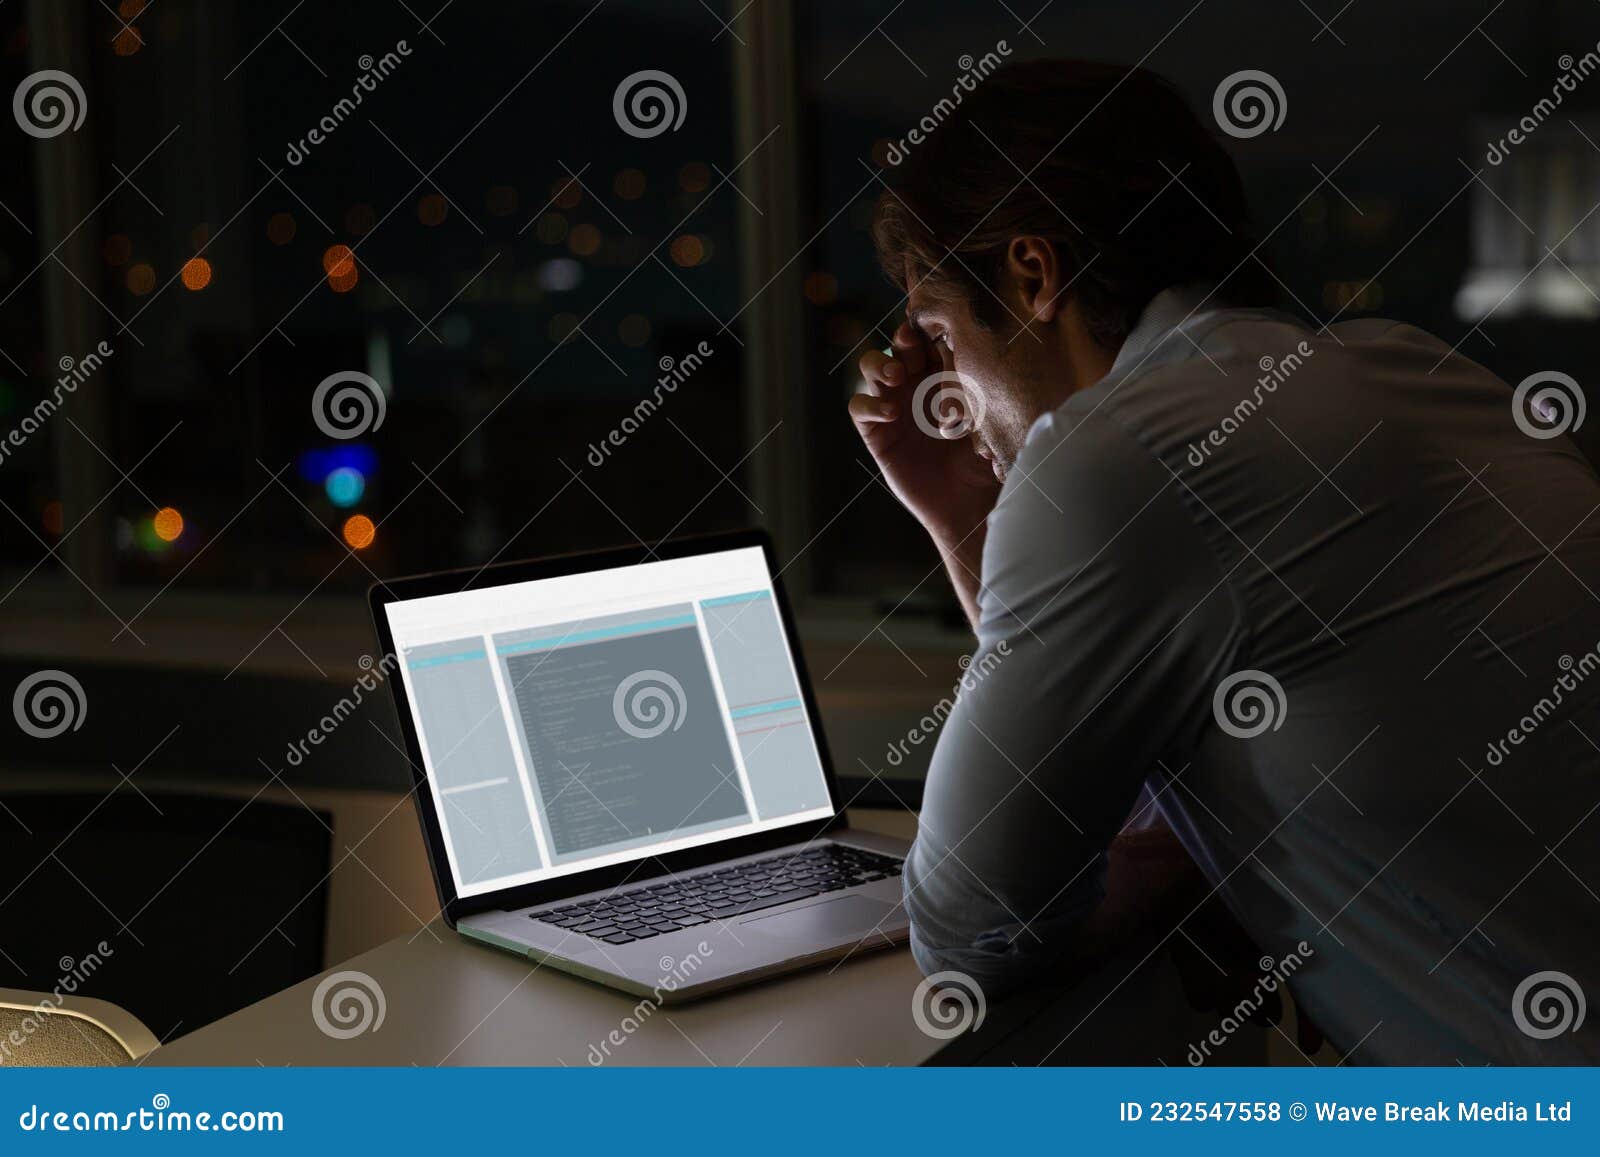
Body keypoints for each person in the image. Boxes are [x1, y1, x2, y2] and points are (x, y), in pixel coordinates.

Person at [852, 59, 1600, 1064]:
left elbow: (969, 928)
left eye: (942, 338)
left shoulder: (1118, 452)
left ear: (1032, 275)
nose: (950, 393)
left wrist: (1166, 866)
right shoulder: (1410, 364)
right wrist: (959, 513)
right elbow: (1094, 761)